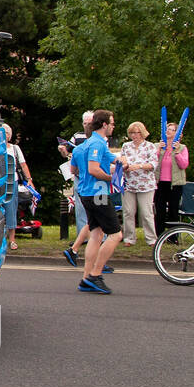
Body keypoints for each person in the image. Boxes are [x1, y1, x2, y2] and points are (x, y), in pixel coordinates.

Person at [77, 109, 121, 293]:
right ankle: (95, 275)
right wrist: (112, 179)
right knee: (116, 235)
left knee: (96, 235)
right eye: (111, 123)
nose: (113, 126)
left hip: (87, 193)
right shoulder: (97, 143)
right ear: (104, 124)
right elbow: (94, 169)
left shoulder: (93, 142)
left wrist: (128, 164)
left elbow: (115, 159)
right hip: (98, 194)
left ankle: (86, 278)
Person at [60, 111, 93, 266]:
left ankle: (79, 248)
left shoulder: (99, 139)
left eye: (90, 123)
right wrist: (64, 151)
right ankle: (82, 244)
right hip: (83, 179)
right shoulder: (77, 138)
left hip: (93, 180)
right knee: (82, 212)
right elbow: (69, 157)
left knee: (95, 216)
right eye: (85, 123)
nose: (87, 126)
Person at [118, 121, 158, 246]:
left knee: (146, 213)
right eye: (132, 133)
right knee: (128, 212)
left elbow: (153, 164)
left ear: (142, 133)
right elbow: (122, 160)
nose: (135, 135)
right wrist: (125, 166)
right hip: (129, 184)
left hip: (145, 184)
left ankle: (151, 238)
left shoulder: (150, 146)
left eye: (137, 132)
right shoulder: (126, 146)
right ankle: (129, 238)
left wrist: (139, 166)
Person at [153, 122, 189, 234]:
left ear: (178, 134)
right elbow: (152, 162)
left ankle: (173, 236)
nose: (168, 131)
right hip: (160, 182)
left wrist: (177, 152)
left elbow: (184, 165)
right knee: (160, 209)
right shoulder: (156, 146)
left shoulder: (182, 148)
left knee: (173, 210)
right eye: (167, 129)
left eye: (172, 130)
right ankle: (159, 234)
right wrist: (159, 150)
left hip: (175, 183)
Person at [4, 123, 33, 250]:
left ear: (10, 136)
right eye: (1, 132)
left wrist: (29, 180)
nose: (4, 135)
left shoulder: (15, 148)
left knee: (11, 208)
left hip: (12, 182)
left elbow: (23, 165)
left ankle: (12, 240)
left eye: (6, 133)